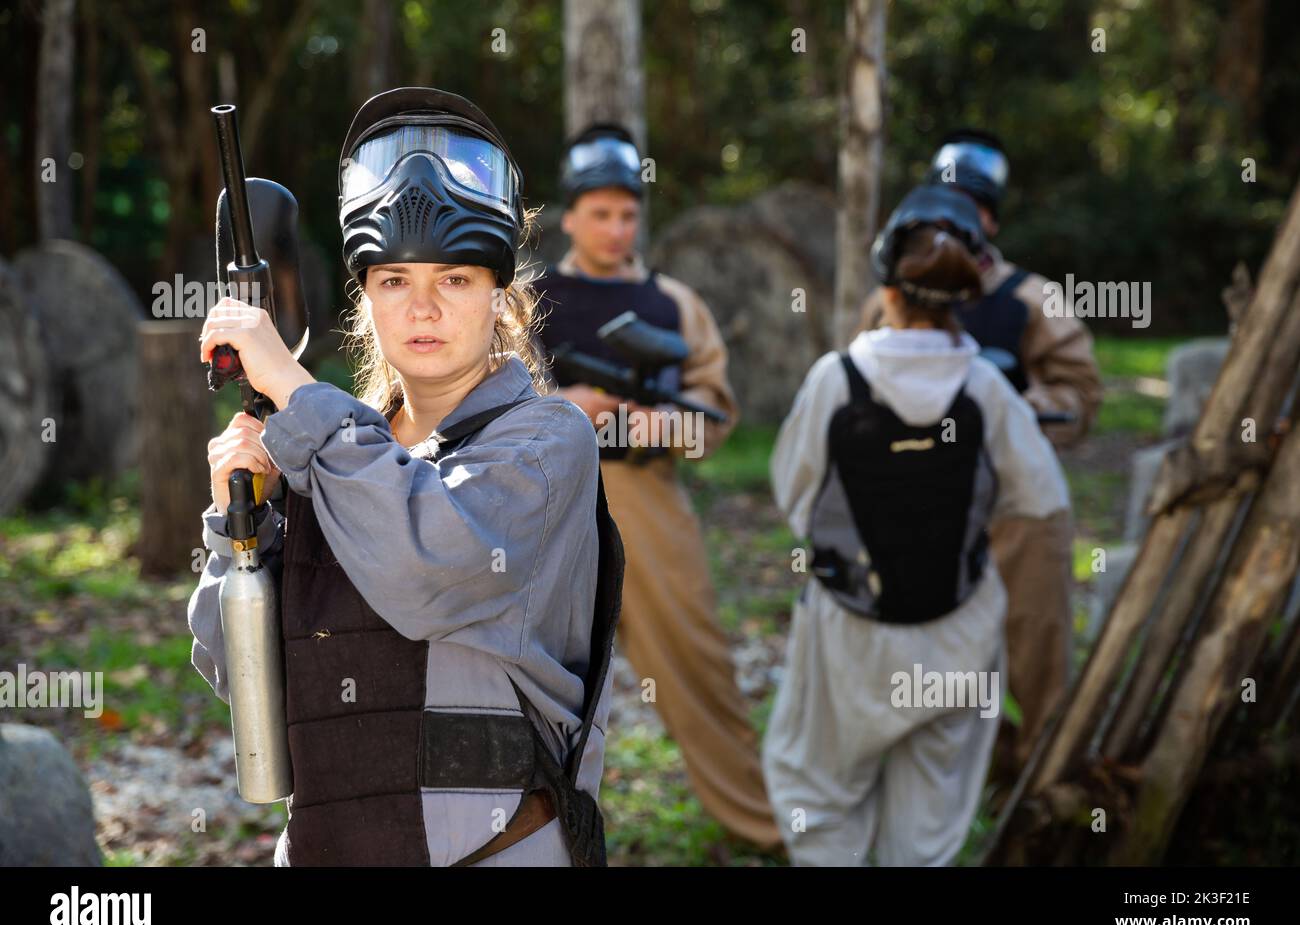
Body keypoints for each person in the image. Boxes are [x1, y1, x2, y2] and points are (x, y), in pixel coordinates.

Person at [188, 87, 623, 867]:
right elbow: (243, 676)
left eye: (454, 279)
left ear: (501, 295)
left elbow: (427, 564)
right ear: (366, 299)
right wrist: (235, 527)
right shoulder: (329, 446)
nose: (423, 308)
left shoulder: (546, 441)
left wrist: (295, 389)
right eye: (394, 281)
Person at [763, 186, 1069, 865]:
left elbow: (795, 494)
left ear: (887, 288)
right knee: (928, 816)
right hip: (957, 630)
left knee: (822, 791)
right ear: (966, 294)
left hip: (852, 637)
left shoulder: (835, 380)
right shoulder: (988, 389)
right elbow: (1042, 499)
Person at [530, 123, 782, 851]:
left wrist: (656, 427)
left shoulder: (673, 303)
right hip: (544, 504)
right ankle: (528, 841)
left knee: (698, 667)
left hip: (647, 504)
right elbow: (480, 404)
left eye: (628, 213)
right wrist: (563, 407)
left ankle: (765, 830)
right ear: (570, 216)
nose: (615, 227)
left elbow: (716, 415)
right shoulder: (527, 299)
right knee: (525, 686)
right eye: (600, 212)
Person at [857, 130, 1103, 774]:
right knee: (935, 667)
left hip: (1018, 507)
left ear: (989, 217)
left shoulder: (1033, 298)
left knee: (1037, 649)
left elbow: (1079, 397)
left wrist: (1009, 402)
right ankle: (985, 778)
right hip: (923, 508)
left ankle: (1050, 788)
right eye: (942, 202)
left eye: (968, 205)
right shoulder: (890, 296)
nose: (952, 217)